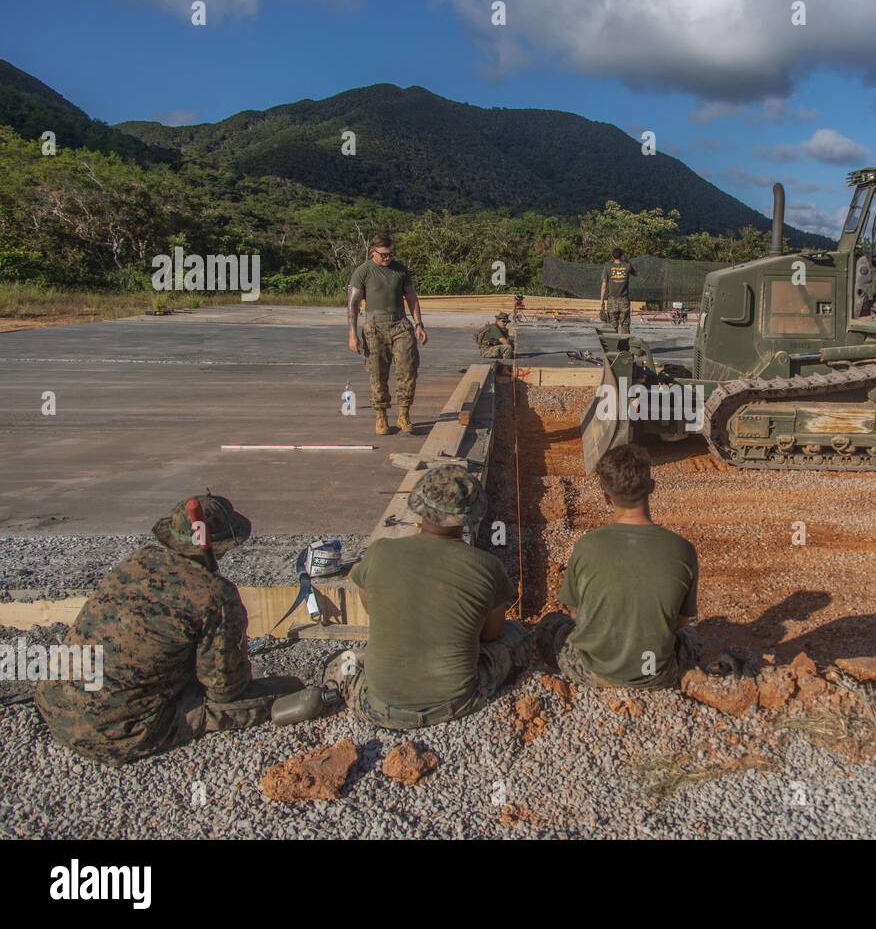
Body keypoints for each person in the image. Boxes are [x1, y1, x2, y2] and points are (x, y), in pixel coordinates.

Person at [35, 495, 303, 767]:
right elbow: (225, 690)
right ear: (221, 544)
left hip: (54, 702)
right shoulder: (215, 596)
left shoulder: (138, 560)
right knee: (290, 690)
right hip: (115, 734)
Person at [326, 463, 531, 729]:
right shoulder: (487, 566)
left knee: (345, 660)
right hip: (456, 702)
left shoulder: (379, 552)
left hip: (379, 705)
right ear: (470, 514)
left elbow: (372, 607)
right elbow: (492, 635)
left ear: (420, 506)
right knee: (517, 635)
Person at [537, 444, 701, 690]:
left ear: (605, 497)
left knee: (550, 625)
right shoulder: (683, 550)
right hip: (656, 675)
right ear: (652, 487)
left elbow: (576, 614)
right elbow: (680, 622)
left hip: (593, 671)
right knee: (690, 639)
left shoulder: (587, 545)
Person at [347, 233, 428, 436]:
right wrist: (352, 333)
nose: (388, 258)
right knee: (377, 375)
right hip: (374, 328)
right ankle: (381, 417)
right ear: (372, 251)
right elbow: (353, 304)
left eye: (391, 254)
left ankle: (404, 414)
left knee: (408, 372)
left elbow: (411, 296)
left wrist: (419, 324)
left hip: (400, 324)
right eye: (384, 255)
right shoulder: (363, 272)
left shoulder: (400, 270)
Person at [599, 249, 636, 334]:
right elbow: (634, 272)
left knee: (612, 327)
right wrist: (625, 259)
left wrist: (602, 301)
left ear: (612, 256)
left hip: (612, 300)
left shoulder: (607, 266)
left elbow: (604, 285)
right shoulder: (627, 266)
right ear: (622, 255)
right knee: (625, 326)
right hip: (624, 301)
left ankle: (613, 346)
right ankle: (625, 346)